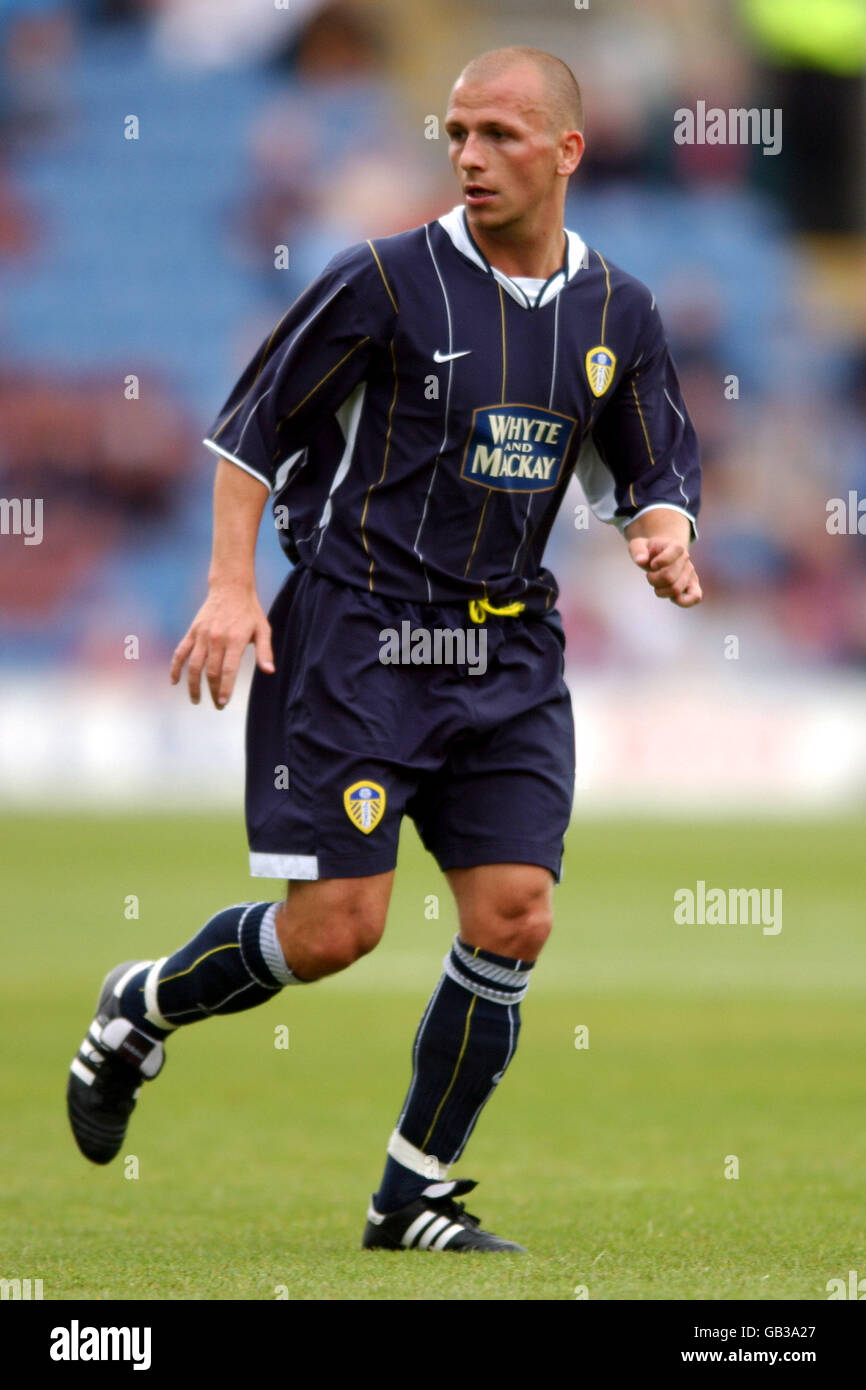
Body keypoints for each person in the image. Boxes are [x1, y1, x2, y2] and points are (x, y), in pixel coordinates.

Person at [67, 45, 702, 1254]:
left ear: (566, 151)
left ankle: (409, 1195)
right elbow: (252, 435)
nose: (467, 155)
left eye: (499, 135)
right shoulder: (382, 282)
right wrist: (224, 587)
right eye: (456, 132)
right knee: (332, 934)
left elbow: (653, 458)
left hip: (508, 648)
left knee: (513, 912)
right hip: (360, 634)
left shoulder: (619, 309)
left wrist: (663, 531)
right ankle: (137, 1004)